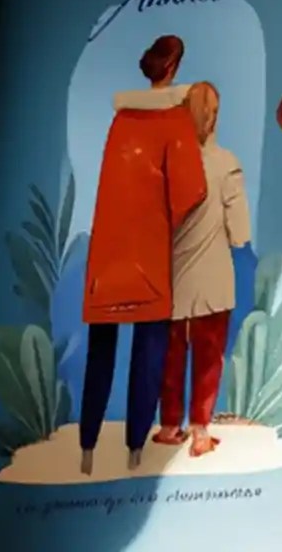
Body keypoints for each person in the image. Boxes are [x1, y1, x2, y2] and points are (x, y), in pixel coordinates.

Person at [80, 34, 207, 474]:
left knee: (101, 352)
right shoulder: (175, 121)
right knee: (149, 349)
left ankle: (87, 450)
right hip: (150, 254)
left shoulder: (120, 120)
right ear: (174, 68)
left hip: (107, 256)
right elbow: (191, 189)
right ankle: (135, 449)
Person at [153, 81, 251, 457]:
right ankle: (200, 433)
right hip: (213, 277)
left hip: (172, 276)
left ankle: (168, 427)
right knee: (208, 357)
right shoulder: (227, 164)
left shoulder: (167, 161)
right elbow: (239, 231)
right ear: (216, 117)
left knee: (170, 355)